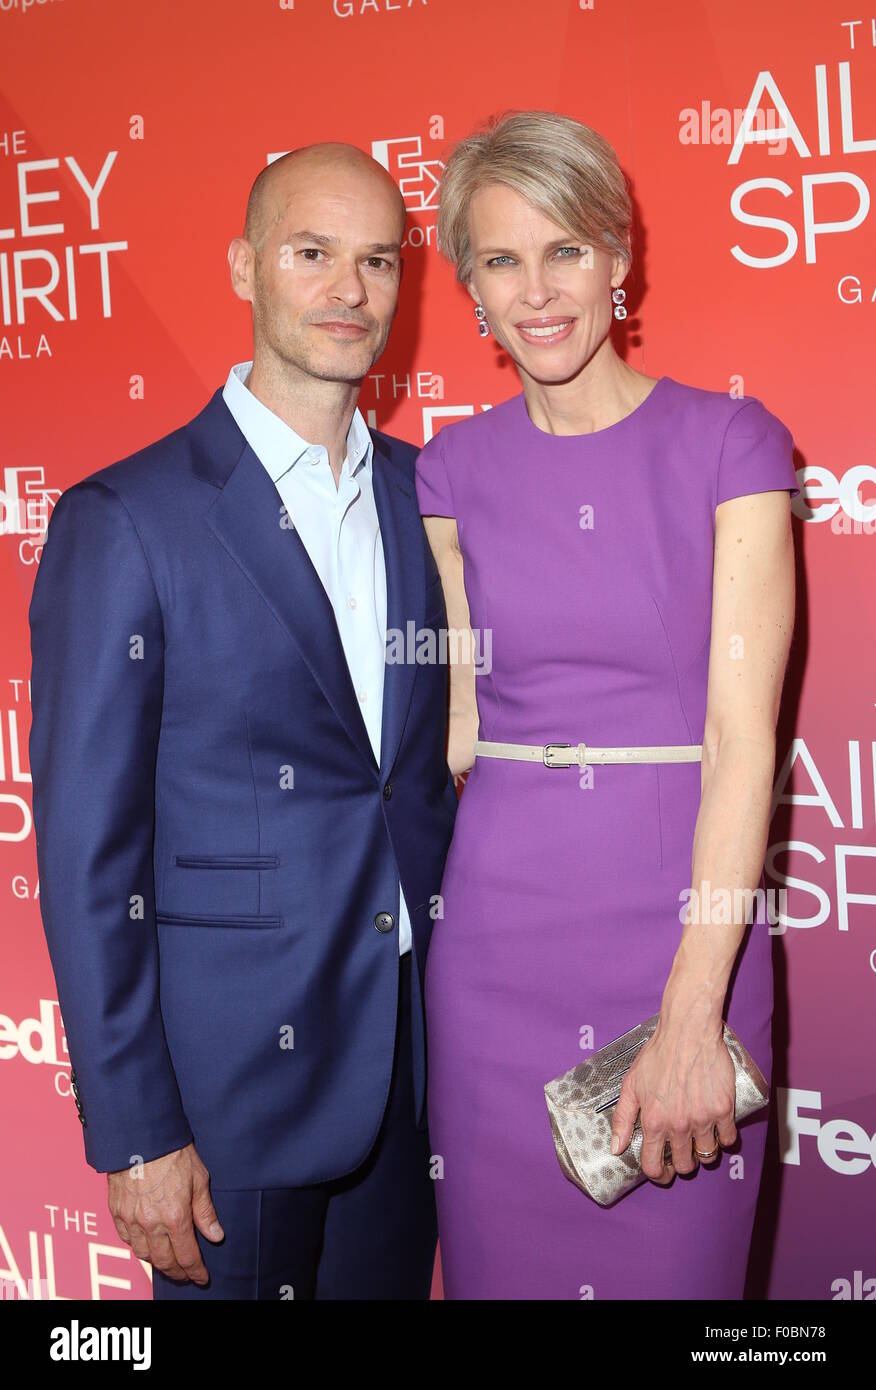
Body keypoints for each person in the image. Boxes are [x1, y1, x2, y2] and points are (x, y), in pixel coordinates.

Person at [28, 143, 457, 1300]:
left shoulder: (437, 498)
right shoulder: (127, 519)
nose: (349, 292)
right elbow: (83, 855)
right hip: (227, 1103)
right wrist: (132, 1129)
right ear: (243, 268)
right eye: (313, 253)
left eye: (377, 261)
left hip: (411, 1078)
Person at [415, 110, 799, 1300]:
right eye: (500, 259)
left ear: (620, 257)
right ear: (469, 285)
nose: (538, 291)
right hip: (492, 959)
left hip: (680, 944)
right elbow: (456, 727)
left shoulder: (733, 445)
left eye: (567, 249)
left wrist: (694, 1012)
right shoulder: (450, 470)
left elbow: (745, 747)